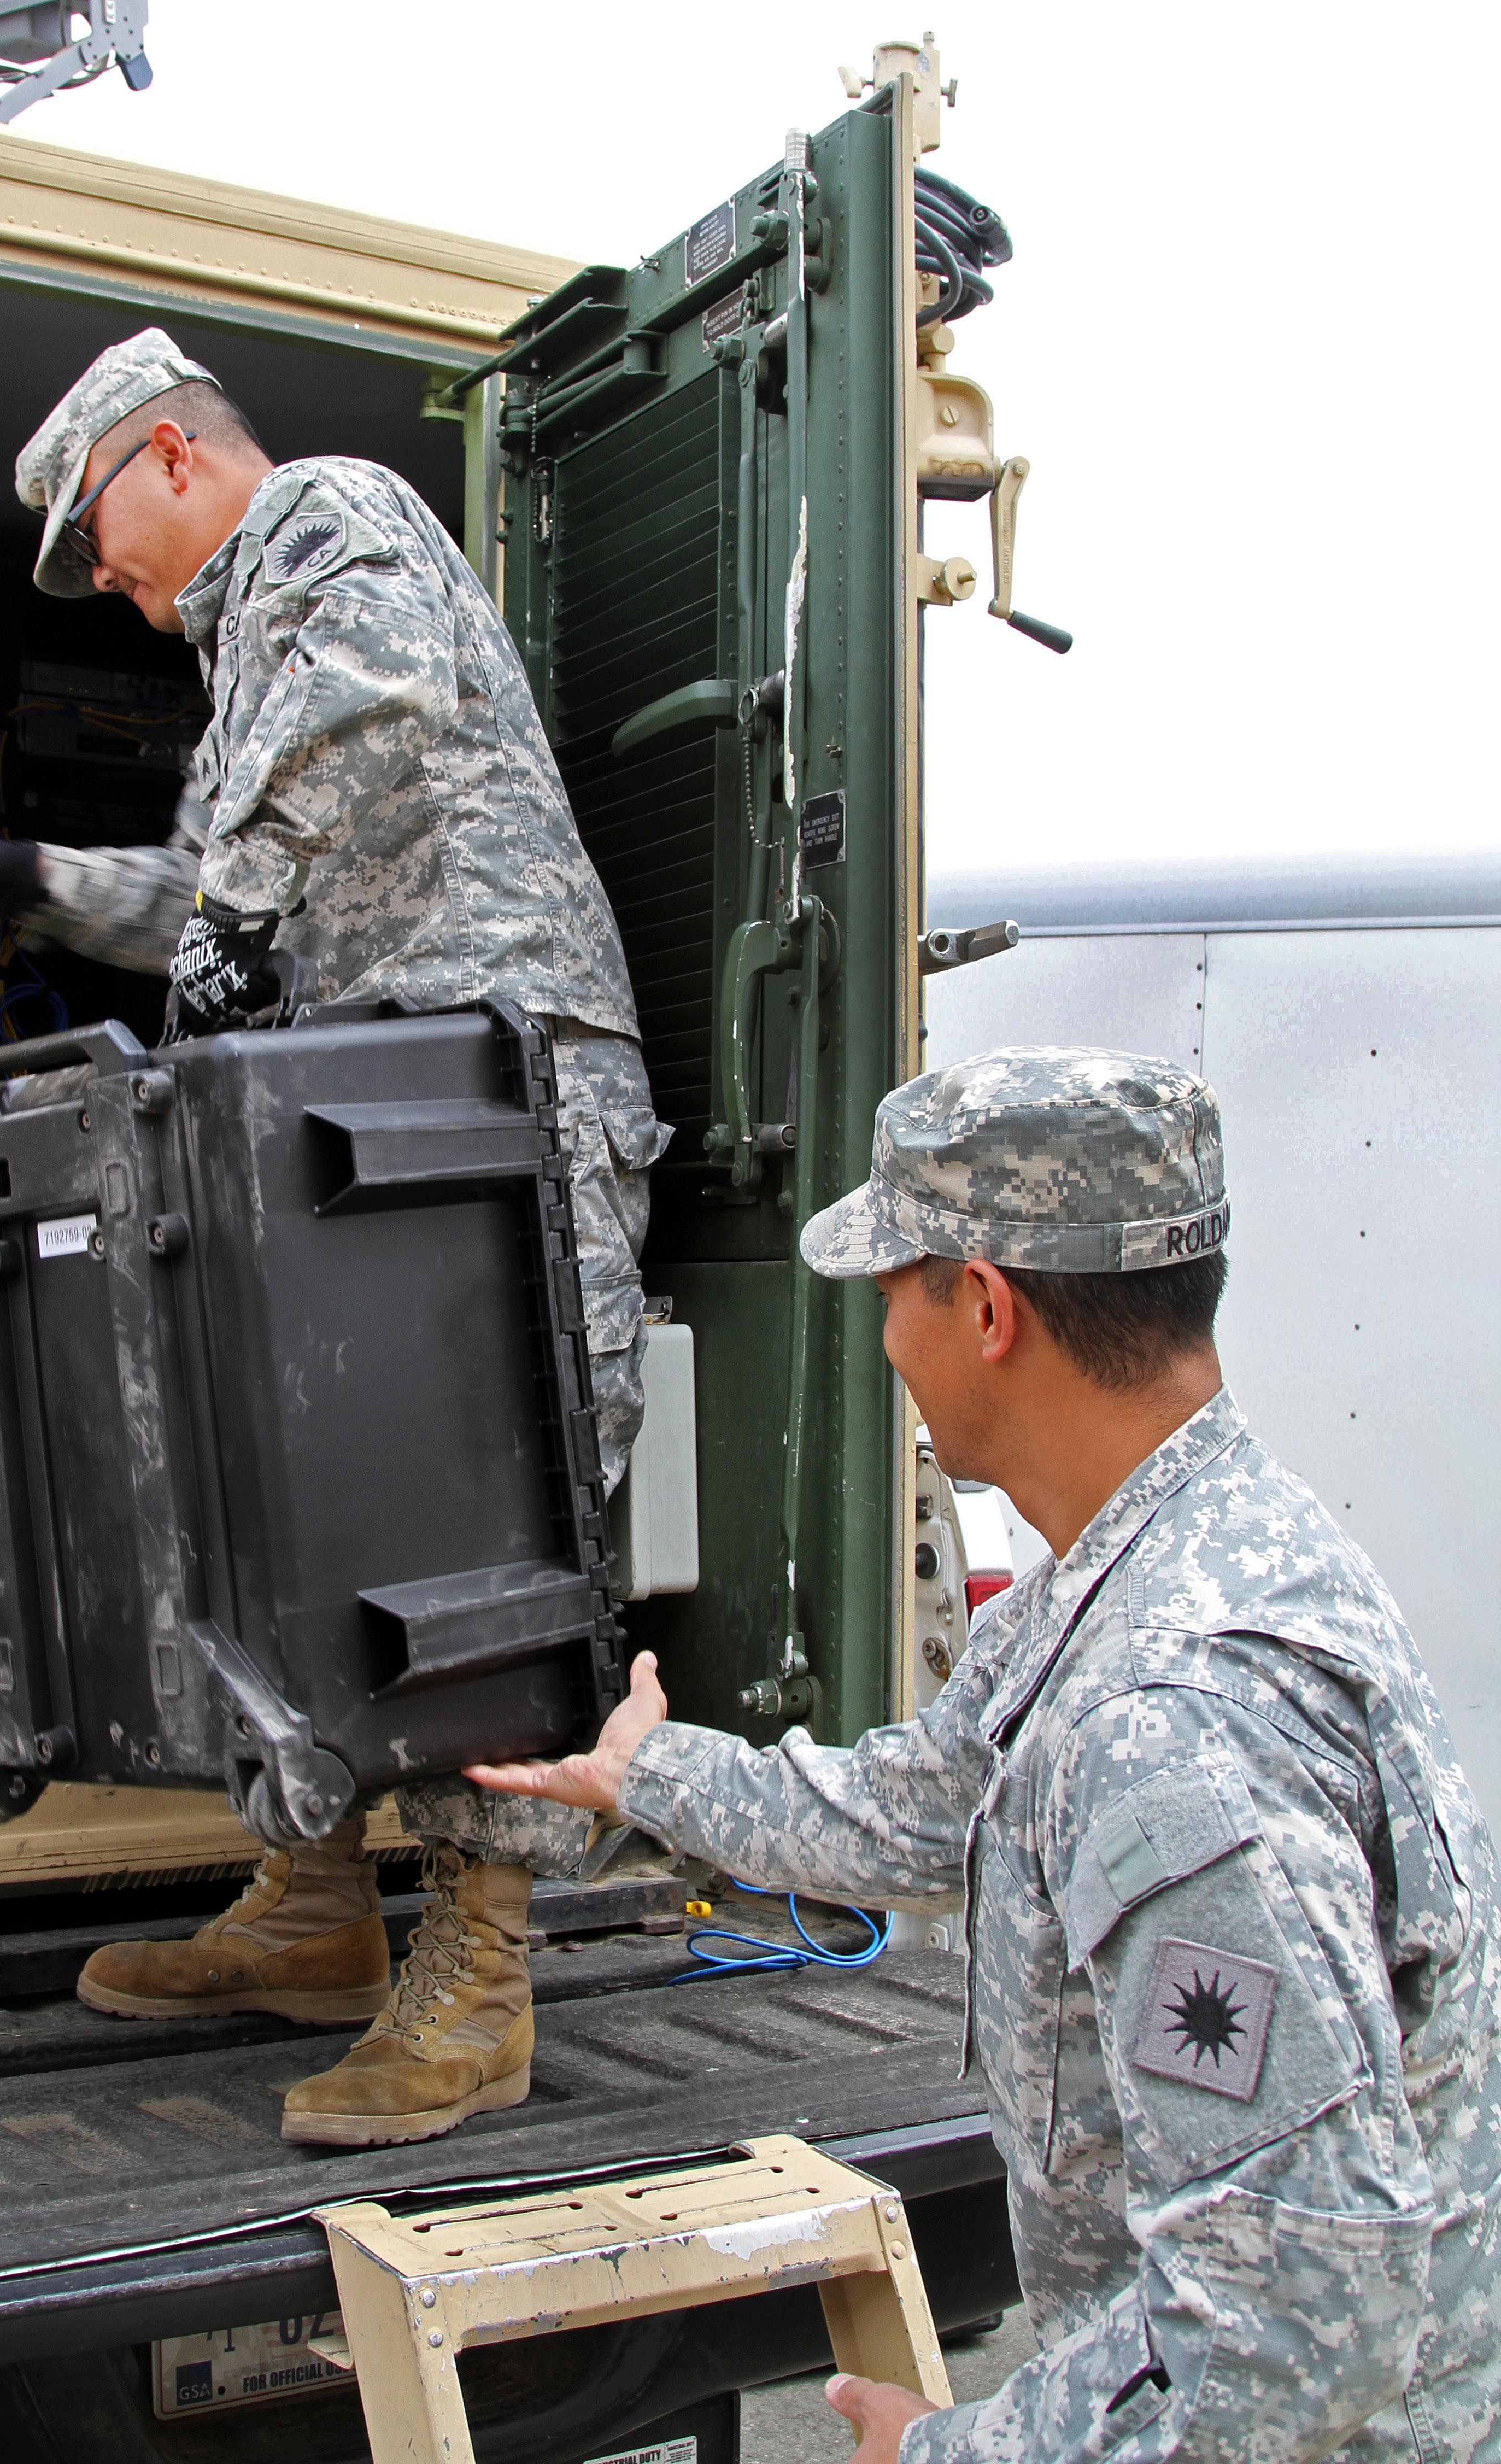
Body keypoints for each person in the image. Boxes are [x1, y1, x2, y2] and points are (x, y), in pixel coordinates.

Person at [0, 329, 667, 2150]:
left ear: (164, 455)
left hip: (514, 1101)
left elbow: (332, 754)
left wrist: (231, 908)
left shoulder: (329, 522)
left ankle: (483, 1962)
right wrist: (22, 876)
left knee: (501, 1535)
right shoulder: (253, 681)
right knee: (320, 1509)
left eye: (99, 537)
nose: (115, 592)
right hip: (371, 1122)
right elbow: (222, 894)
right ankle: (314, 1907)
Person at [468, 1047, 1501, 2464]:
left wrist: (958, 2455)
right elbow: (921, 1803)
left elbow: (1302, 2332)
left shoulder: (1169, 1724)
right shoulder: (1182, 1547)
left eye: (895, 1289)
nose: (885, 1339)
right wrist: (650, 1773)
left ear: (988, 1306)